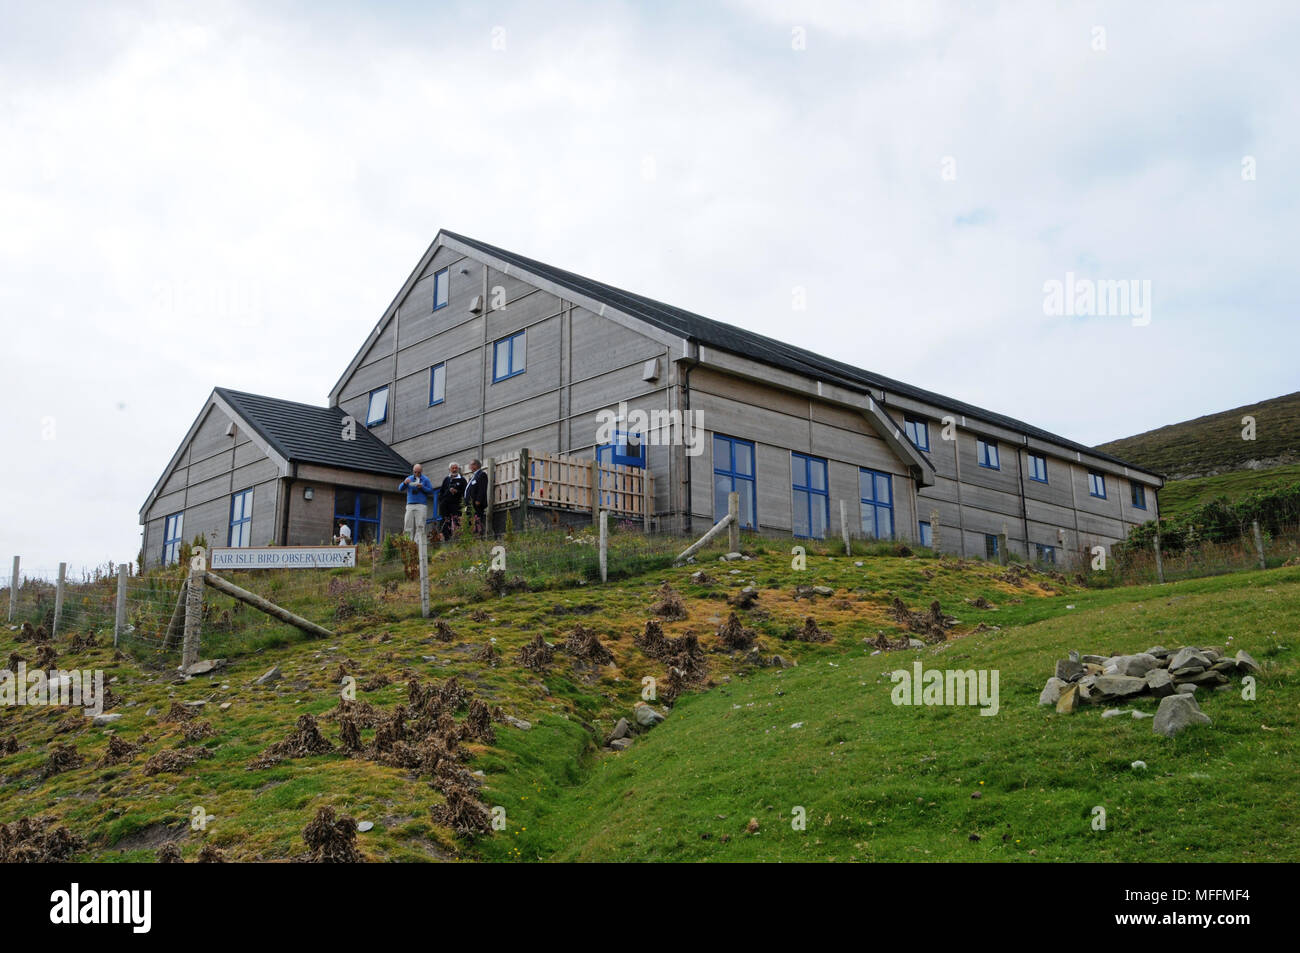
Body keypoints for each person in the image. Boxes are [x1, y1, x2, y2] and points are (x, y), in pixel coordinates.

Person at [399, 464, 434, 538]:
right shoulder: (409, 478)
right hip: (410, 505)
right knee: (408, 525)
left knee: (420, 525)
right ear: (413, 471)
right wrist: (404, 483)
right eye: (415, 472)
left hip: (421, 505)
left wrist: (422, 487)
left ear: (421, 472)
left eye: (418, 472)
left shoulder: (425, 479)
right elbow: (400, 488)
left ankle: (418, 545)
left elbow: (431, 491)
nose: (417, 474)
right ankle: (408, 544)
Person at [437, 462, 467, 540]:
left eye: (455, 468)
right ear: (449, 469)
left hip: (456, 505)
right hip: (445, 505)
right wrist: (441, 501)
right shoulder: (446, 479)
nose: (454, 470)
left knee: (457, 521)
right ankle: (447, 538)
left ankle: (457, 538)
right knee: (445, 521)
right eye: (452, 468)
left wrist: (456, 492)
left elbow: (465, 493)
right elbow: (441, 491)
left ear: (458, 469)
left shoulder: (462, 480)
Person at [465, 459, 489, 536]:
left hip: (476, 504)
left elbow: (482, 489)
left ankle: (478, 537)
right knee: (470, 522)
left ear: (475, 465)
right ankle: (473, 537)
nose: (469, 467)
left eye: (471, 465)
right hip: (469, 505)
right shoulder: (473, 476)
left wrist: (478, 500)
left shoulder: (481, 474)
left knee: (477, 521)